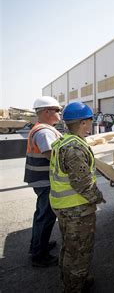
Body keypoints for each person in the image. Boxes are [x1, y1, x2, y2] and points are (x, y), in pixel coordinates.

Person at [49, 102, 105, 292]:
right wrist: (98, 197)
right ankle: (74, 287)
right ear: (82, 123)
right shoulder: (74, 148)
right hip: (76, 210)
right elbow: (82, 184)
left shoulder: (64, 141)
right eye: (90, 121)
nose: (91, 124)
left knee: (70, 248)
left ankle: (70, 280)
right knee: (79, 252)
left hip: (64, 206)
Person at [24, 96, 62, 267]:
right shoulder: (45, 132)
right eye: (57, 110)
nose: (60, 113)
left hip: (39, 180)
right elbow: (51, 155)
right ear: (47, 112)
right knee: (46, 216)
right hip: (45, 181)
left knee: (41, 215)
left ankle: (37, 245)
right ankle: (40, 256)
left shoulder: (41, 128)